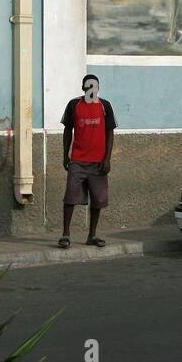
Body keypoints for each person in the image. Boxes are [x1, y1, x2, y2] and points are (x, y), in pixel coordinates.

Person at [58, 74, 116, 249]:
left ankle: (92, 235)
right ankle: (65, 235)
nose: (91, 89)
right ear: (83, 87)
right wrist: (65, 155)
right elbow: (68, 130)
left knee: (97, 200)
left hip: (98, 162)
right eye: (88, 85)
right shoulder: (74, 104)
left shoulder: (105, 106)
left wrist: (107, 159)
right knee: (70, 197)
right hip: (77, 160)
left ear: (98, 88)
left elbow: (110, 133)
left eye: (94, 86)